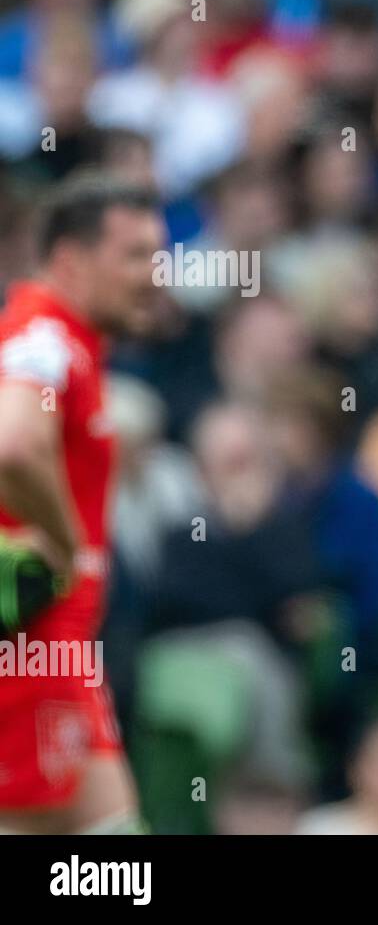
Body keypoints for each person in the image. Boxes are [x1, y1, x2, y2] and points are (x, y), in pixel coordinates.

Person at [0, 172, 164, 832]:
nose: (152, 275)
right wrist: (69, 545)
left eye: (157, 255)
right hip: (30, 651)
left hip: (62, 650)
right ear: (70, 259)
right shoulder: (44, 337)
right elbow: (12, 444)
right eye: (133, 256)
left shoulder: (71, 344)